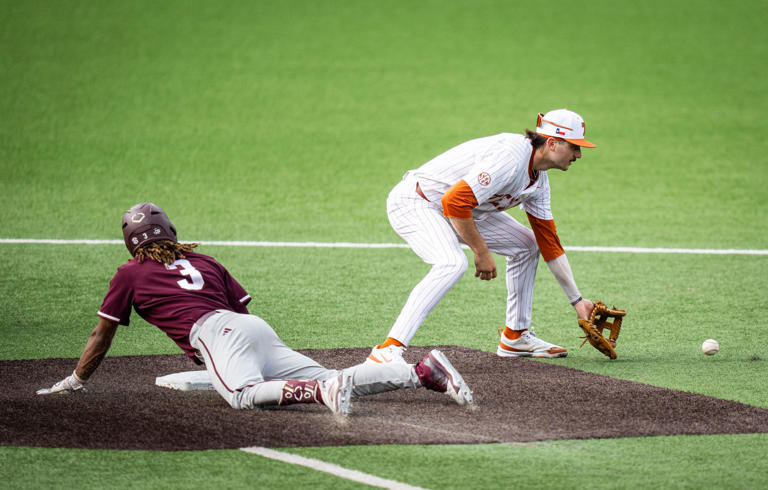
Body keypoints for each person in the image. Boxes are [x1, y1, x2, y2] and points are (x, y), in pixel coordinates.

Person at [37, 202, 474, 416]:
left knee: (244, 396)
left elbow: (102, 334)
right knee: (330, 376)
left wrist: (77, 379)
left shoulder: (129, 273)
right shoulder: (205, 261)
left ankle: (318, 394)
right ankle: (421, 372)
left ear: (131, 244)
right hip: (255, 330)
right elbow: (240, 313)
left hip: (215, 335)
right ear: (169, 230)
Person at [369, 109, 598, 363]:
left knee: (527, 245)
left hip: (462, 211)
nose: (578, 154)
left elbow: (549, 244)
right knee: (452, 264)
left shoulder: (539, 182)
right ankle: (389, 348)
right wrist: (481, 250)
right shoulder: (510, 158)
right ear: (553, 143)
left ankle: (515, 336)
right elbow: (454, 201)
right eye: (575, 147)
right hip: (417, 202)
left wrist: (577, 302)